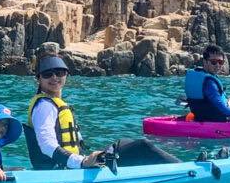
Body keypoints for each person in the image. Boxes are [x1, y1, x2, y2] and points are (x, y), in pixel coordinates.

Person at [24, 54, 180, 169]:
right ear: (38, 79)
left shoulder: (56, 104)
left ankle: (178, 171)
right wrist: (82, 162)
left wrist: (87, 159)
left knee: (127, 145)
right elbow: (46, 145)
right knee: (141, 147)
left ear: (66, 75)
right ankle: (186, 170)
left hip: (72, 165)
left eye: (59, 73)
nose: (54, 78)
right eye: (47, 74)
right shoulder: (44, 106)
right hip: (62, 170)